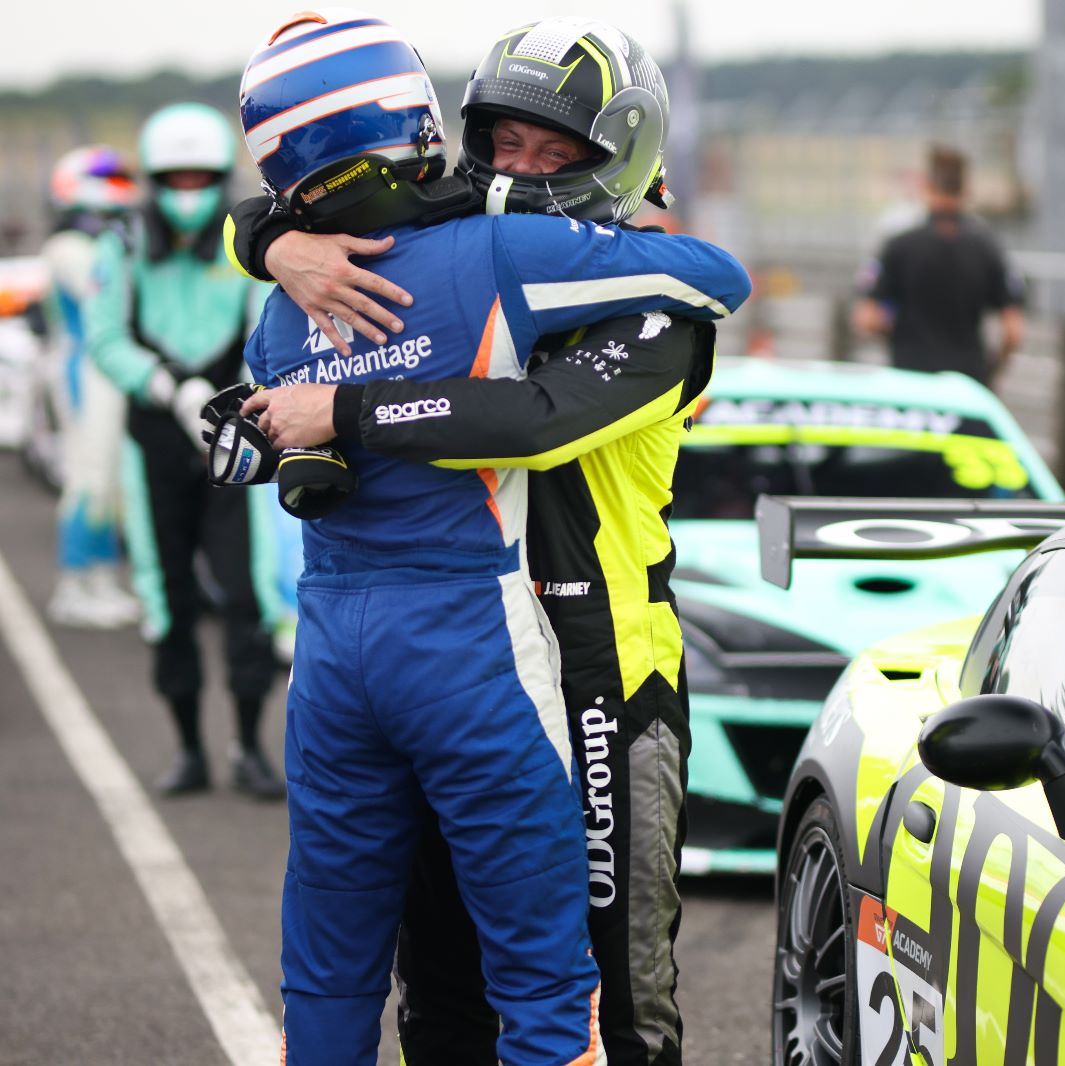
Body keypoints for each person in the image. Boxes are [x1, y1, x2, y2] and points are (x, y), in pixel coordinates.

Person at [232, 12, 749, 1064]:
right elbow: (330, 188)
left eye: (555, 154)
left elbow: (538, 418)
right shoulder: (470, 247)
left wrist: (346, 407)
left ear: (626, 154)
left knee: (618, 991)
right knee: (444, 984)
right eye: (502, 147)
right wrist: (276, 240)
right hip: (483, 654)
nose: (520, 170)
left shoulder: (657, 299)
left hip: (604, 671)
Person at [85, 103, 286, 799]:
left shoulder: (245, 244)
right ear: (154, 180)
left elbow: (268, 331)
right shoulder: (122, 245)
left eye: (203, 176)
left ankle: (250, 746)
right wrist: (163, 384)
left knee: (248, 593)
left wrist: (231, 391)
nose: (190, 189)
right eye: (177, 177)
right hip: (155, 440)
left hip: (231, 437)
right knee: (166, 597)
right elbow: (105, 337)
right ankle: (189, 747)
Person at [39, 145, 143, 630]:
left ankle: (100, 577)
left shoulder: (112, 237)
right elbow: (104, 292)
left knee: (111, 483)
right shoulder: (67, 246)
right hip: (83, 369)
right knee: (88, 478)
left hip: (106, 370)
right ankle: (72, 584)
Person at [852, 144, 1026, 387]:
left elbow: (866, 319)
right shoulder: (988, 248)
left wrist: (899, 338)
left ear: (927, 186)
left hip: (911, 380)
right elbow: (1013, 332)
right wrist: (991, 373)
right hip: (967, 384)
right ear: (966, 189)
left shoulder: (899, 245)